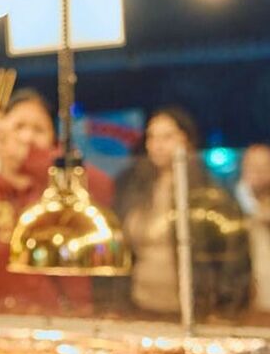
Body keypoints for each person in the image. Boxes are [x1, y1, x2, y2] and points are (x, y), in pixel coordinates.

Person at [0, 89, 113, 314]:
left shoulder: (64, 187)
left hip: (56, 316)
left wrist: (32, 157)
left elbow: (103, 187)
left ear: (53, 140)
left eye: (38, 130)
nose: (27, 137)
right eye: (18, 127)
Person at [114, 108, 248, 317]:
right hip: (140, 306)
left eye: (168, 137)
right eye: (152, 137)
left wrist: (224, 310)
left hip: (191, 311)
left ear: (188, 141)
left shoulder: (209, 195)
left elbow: (232, 262)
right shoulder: (133, 188)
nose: (158, 145)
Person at [236, 144, 270, 312]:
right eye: (252, 167)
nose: (258, 172)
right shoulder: (234, 211)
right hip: (250, 309)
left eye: (264, 166)